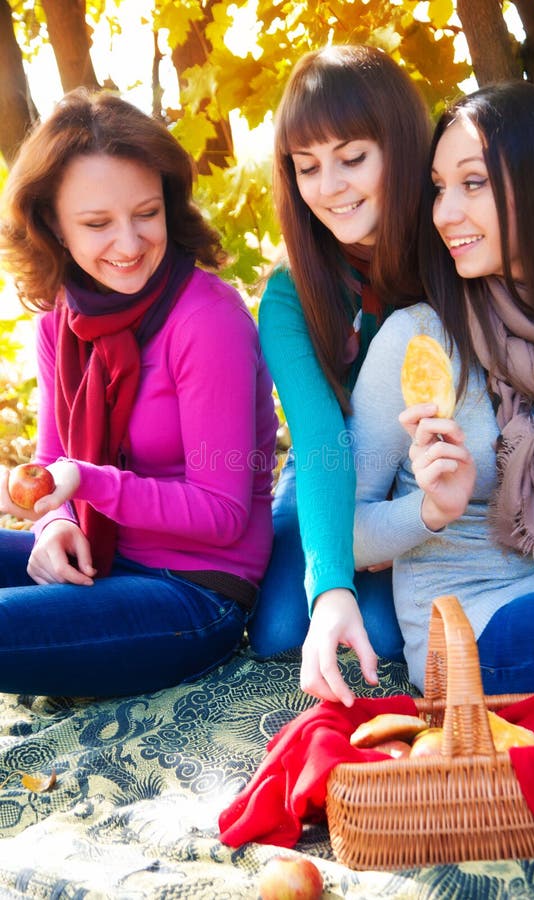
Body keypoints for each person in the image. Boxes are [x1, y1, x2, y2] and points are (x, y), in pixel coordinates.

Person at [0, 89, 277, 698]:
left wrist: (88, 484)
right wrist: (53, 526)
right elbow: (53, 467)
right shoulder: (60, 322)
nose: (128, 244)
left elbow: (224, 512)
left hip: (195, 591)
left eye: (146, 213)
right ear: (53, 224)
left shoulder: (207, 320)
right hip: (103, 557)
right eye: (97, 224)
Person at [345, 81, 534, 702]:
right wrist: (431, 509)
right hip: (474, 636)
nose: (444, 213)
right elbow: (343, 532)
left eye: (473, 183)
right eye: (439, 187)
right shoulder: (419, 340)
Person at [246, 44, 432, 706]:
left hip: (425, 467)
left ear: (402, 148)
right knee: (279, 629)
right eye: (308, 167)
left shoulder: (451, 253)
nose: (330, 186)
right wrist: (330, 583)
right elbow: (321, 439)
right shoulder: (290, 296)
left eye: (353, 158)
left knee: (384, 631)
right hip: (330, 462)